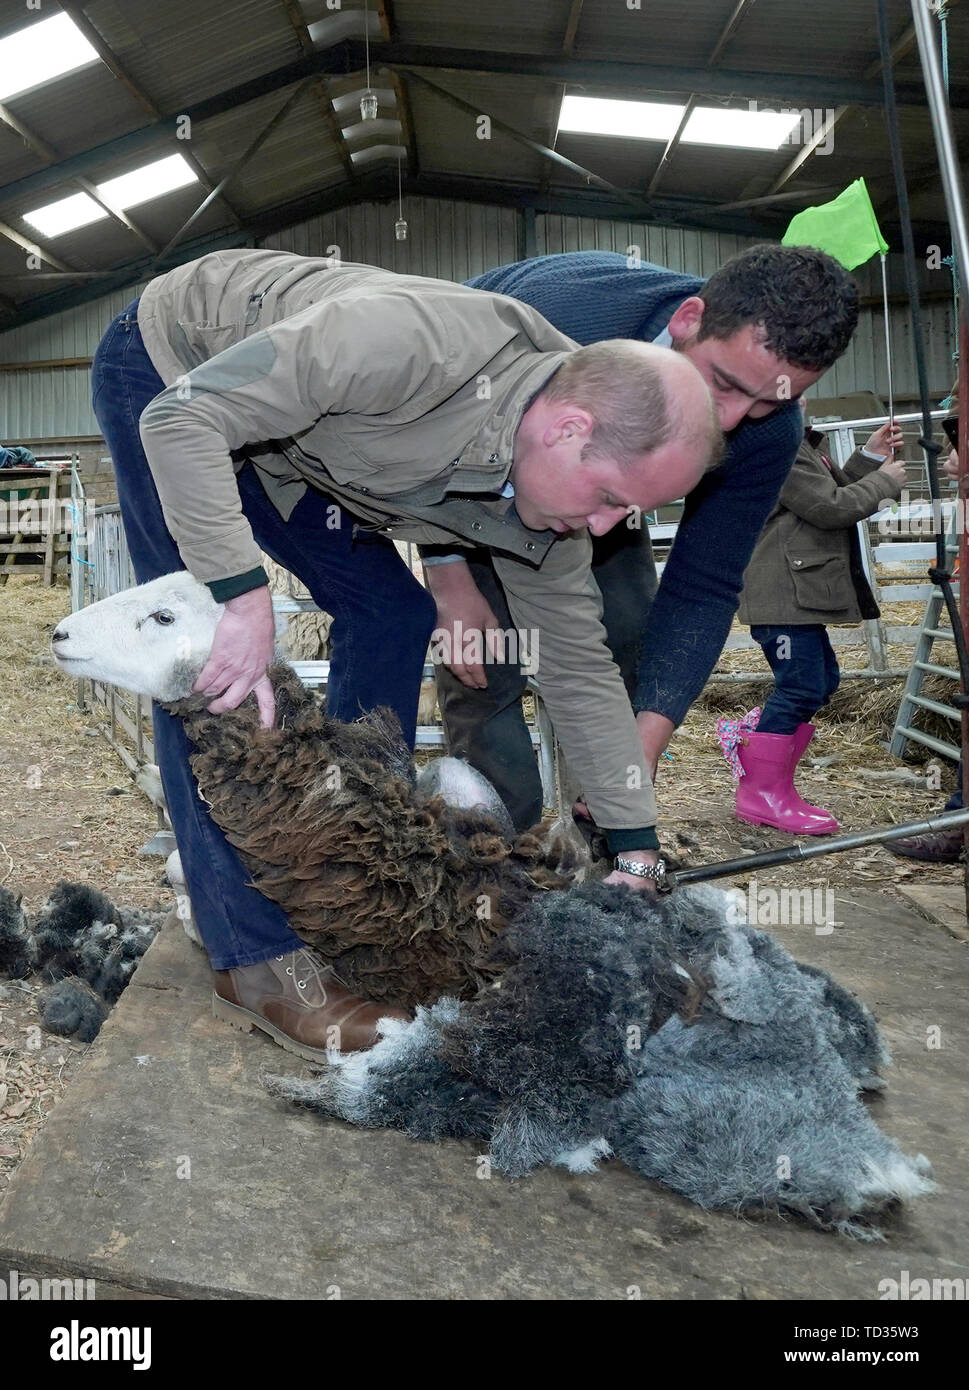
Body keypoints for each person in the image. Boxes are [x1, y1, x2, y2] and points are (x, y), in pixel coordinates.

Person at [90, 247, 721, 1058]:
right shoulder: (404, 344)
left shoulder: (554, 505)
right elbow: (183, 418)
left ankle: (360, 874)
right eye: (607, 499)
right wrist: (239, 592)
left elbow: (577, 668)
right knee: (215, 661)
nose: (604, 529)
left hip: (299, 442)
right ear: (568, 430)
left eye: (624, 514)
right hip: (175, 374)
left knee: (391, 613)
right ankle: (255, 961)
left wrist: (636, 849)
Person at [424, 245, 860, 833]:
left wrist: (641, 751)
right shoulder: (561, 325)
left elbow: (704, 585)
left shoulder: (765, 431)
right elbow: (442, 439)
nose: (730, 421)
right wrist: (450, 582)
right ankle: (499, 851)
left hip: (611, 505)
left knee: (627, 629)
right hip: (478, 481)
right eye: (724, 383)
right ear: (687, 320)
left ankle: (608, 855)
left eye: (770, 400)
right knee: (484, 654)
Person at [719, 417, 905, 833]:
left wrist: (871, 457)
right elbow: (830, 508)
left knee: (819, 681)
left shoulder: (796, 444)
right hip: (781, 594)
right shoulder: (776, 446)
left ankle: (765, 772)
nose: (803, 398)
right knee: (802, 685)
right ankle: (760, 792)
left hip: (792, 595)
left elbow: (829, 490)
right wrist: (886, 482)